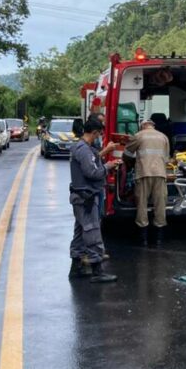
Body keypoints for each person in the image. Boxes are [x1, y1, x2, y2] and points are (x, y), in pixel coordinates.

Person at [69, 117, 120, 283]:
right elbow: (92, 173)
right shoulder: (84, 150)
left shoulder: (82, 147)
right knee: (92, 232)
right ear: (95, 132)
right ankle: (97, 271)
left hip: (81, 197)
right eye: (99, 134)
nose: (99, 137)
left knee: (80, 232)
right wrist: (108, 166)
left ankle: (75, 268)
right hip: (86, 198)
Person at [124, 118, 171, 246]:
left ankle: (143, 238)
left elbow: (127, 153)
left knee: (142, 204)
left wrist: (129, 163)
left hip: (143, 173)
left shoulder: (138, 136)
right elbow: (166, 159)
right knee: (160, 204)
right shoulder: (164, 137)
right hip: (160, 174)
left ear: (143, 126)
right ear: (153, 125)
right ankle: (158, 239)